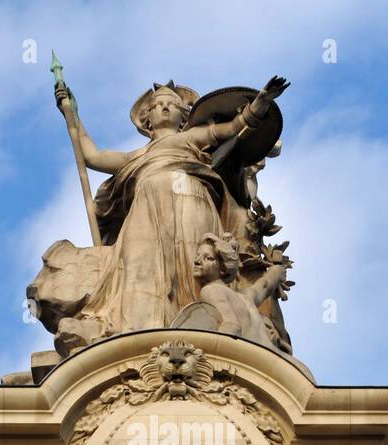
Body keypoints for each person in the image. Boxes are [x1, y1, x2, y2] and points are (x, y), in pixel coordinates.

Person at [55, 76, 289, 347]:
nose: (164, 107)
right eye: (157, 105)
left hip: (190, 199)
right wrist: (70, 113)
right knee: (139, 265)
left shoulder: (192, 137)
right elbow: (92, 157)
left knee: (196, 265)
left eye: (171, 104)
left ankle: (204, 325)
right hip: (147, 208)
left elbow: (236, 127)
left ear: (183, 117)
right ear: (147, 120)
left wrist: (261, 102)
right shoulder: (136, 156)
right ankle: (138, 330)